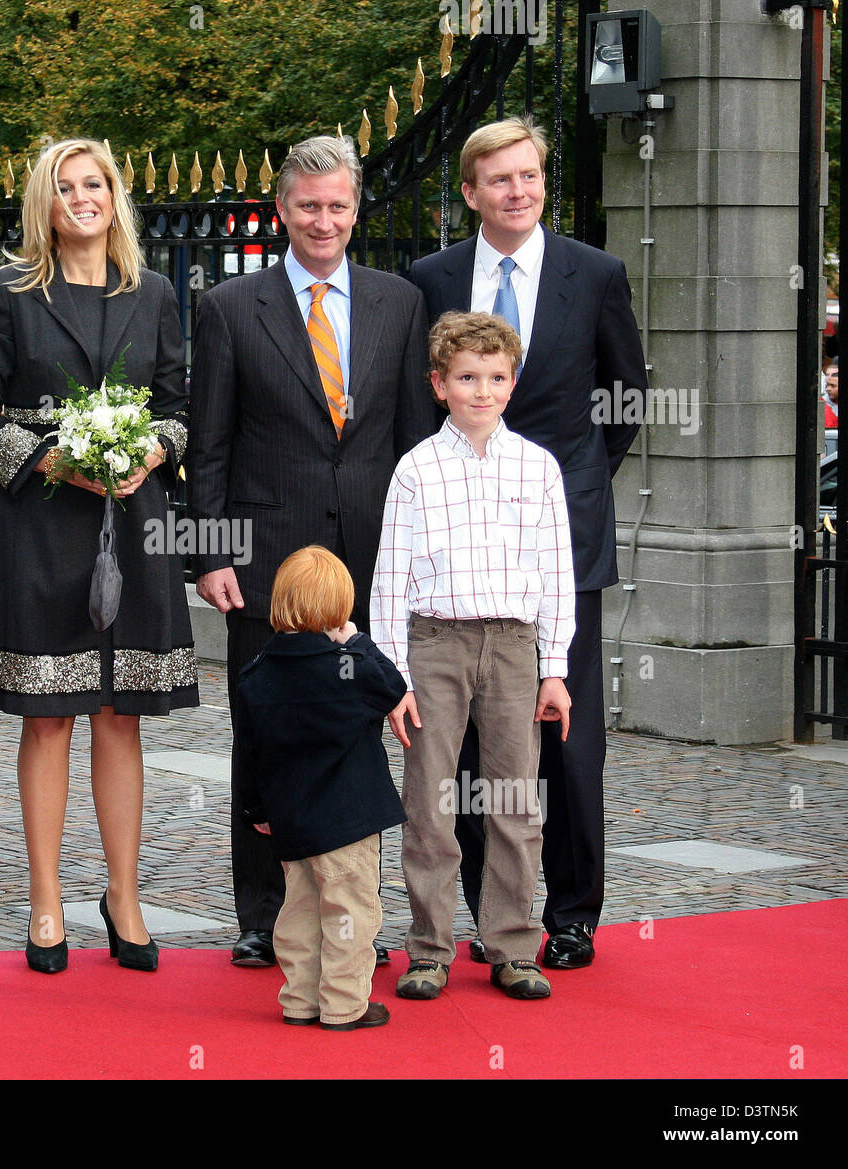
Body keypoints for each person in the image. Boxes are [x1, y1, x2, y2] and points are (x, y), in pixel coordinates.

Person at [187, 134, 437, 967]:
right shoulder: (231, 307)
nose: (322, 220)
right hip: (266, 563)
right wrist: (210, 552)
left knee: (362, 731)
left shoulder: (400, 302)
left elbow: (415, 441)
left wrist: (420, 552)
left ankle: (354, 917)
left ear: (355, 210)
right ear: (282, 208)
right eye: (307, 206)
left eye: (336, 206)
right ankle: (264, 915)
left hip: (371, 558)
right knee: (266, 734)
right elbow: (210, 441)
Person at [411, 115, 645, 971]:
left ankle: (574, 911)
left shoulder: (596, 273)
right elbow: (420, 405)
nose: (519, 191)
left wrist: (567, 481)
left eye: (530, 175)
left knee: (566, 735)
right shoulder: (432, 278)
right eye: (501, 179)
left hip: (561, 543)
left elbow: (626, 396)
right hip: (457, 550)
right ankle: (488, 911)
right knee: (473, 741)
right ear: (472, 191)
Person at [0, 138, 197, 975]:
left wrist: (152, 450)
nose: (82, 197)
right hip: (40, 522)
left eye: (94, 183)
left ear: (114, 195)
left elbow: (178, 406)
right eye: (65, 187)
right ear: (45, 204)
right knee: (49, 714)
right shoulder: (8, 291)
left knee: (121, 714)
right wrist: (52, 460)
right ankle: (47, 898)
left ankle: (124, 896)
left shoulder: (153, 291)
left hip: (132, 520)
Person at [373, 311, 575, 1001]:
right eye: (466, 378)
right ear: (439, 385)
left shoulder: (538, 467)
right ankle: (429, 949)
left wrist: (556, 668)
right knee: (430, 800)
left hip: (515, 647)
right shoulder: (416, 469)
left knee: (515, 799)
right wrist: (396, 677)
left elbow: (556, 572)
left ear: (513, 384)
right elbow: (389, 578)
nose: (480, 391)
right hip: (436, 644)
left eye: (494, 377)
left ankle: (512, 944)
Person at [236, 546, 407, 1030]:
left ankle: (300, 999)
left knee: (300, 912)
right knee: (350, 912)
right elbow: (392, 687)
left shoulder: (257, 673)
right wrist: (357, 641)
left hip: (292, 821)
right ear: (339, 605)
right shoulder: (346, 667)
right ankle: (343, 1004)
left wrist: (256, 810)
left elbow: (248, 753)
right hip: (349, 819)